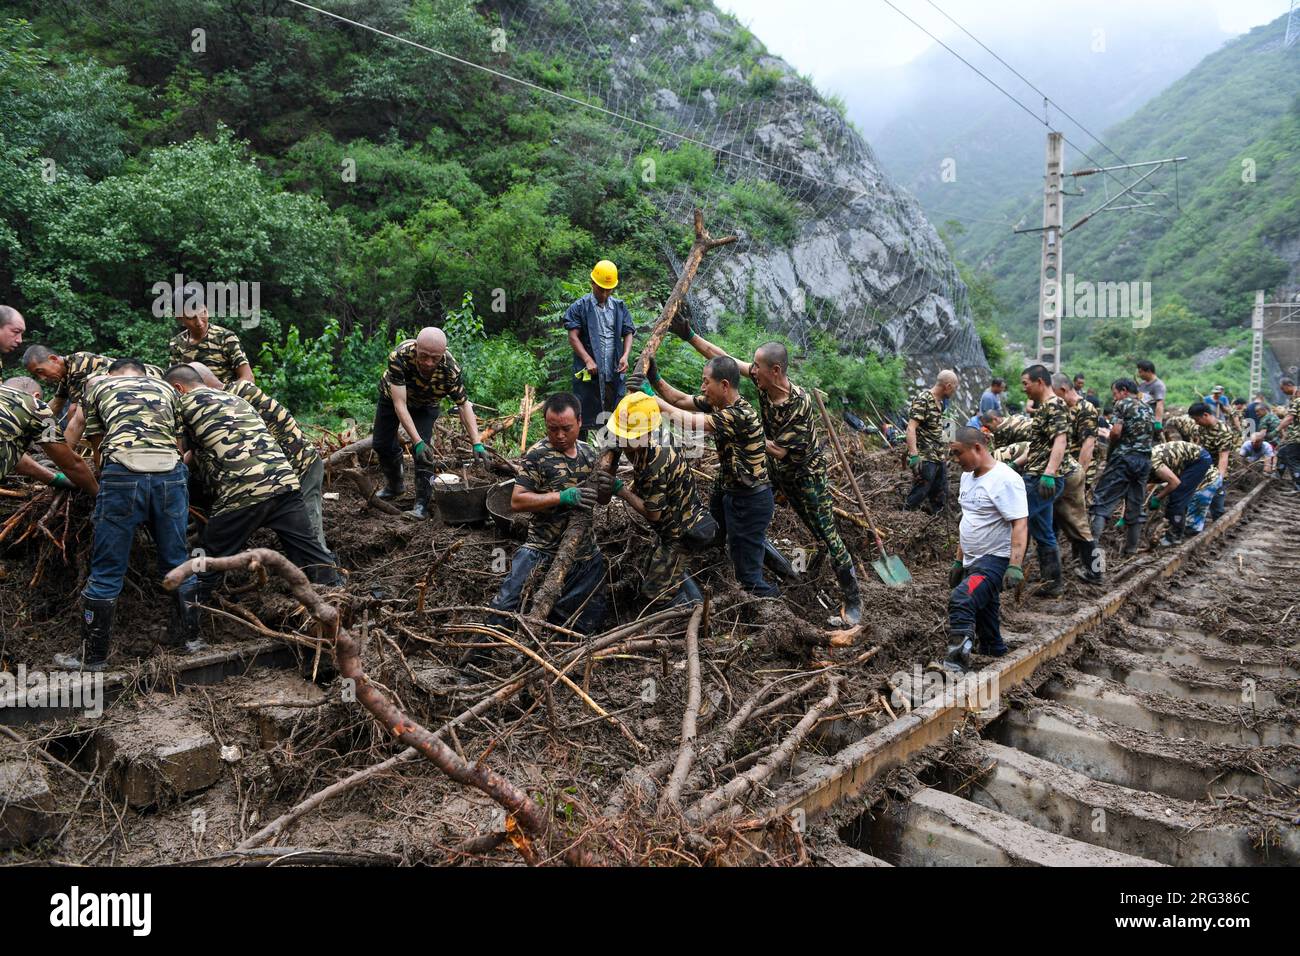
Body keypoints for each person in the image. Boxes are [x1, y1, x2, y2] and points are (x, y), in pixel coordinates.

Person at [672, 323, 863, 622]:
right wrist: (689, 335)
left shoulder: (798, 404)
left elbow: (780, 450)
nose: (752, 371)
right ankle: (777, 568)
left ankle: (853, 600)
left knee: (826, 534)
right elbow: (726, 361)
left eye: (757, 367)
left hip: (804, 478)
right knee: (746, 506)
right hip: (773, 470)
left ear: (775, 370)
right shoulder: (764, 382)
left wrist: (746, 429)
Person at [53, 360, 197, 671]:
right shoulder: (166, 387)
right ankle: (192, 641)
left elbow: (96, 444)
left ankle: (93, 657)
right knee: (177, 559)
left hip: (123, 474)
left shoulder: (97, 384)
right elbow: (176, 442)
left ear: (112, 374)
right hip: (171, 475)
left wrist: (108, 483)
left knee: (106, 570)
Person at [163, 365, 341, 608]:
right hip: (285, 483)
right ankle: (340, 604)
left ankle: (188, 629)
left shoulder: (181, 405)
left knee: (206, 560)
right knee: (311, 555)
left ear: (177, 388)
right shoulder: (236, 399)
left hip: (242, 492)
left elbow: (181, 457)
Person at [636, 356, 779, 597]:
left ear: (724, 385)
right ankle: (706, 577)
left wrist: (651, 399)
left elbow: (691, 422)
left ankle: (773, 609)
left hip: (751, 501)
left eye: (706, 382)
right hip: (728, 492)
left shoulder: (739, 414)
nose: (702, 388)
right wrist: (656, 380)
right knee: (715, 537)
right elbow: (680, 400)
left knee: (748, 574)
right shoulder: (718, 404)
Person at [483, 393, 609, 638]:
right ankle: (478, 660)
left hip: (584, 554)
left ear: (580, 422)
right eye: (553, 429)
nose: (560, 436)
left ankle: (563, 660)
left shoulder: (589, 454)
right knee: (504, 608)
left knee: (587, 620)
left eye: (566, 429)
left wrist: (608, 487)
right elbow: (517, 501)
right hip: (540, 550)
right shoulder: (537, 456)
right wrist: (561, 497)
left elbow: (601, 501)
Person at [188, 362, 332, 557]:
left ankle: (328, 580)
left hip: (300, 466)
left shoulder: (237, 395)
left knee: (311, 540)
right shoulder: (224, 399)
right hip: (277, 473)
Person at [608, 391, 716, 610]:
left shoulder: (654, 465)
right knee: (661, 570)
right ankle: (688, 597)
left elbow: (653, 513)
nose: (620, 440)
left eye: (626, 436)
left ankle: (693, 614)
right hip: (675, 524)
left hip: (681, 534)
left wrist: (621, 491)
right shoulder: (657, 433)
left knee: (654, 594)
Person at [372, 327, 487, 520]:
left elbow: (463, 404)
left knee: (424, 454)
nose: (428, 363)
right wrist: (414, 441)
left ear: (443, 353)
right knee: (381, 444)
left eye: (434, 358)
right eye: (423, 356)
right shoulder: (399, 357)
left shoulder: (451, 369)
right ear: (416, 347)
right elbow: (400, 404)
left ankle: (421, 505)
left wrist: (476, 442)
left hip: (427, 405)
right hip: (392, 399)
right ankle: (395, 486)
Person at [942, 426, 1028, 672]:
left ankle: (955, 664)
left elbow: (1020, 523)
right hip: (972, 559)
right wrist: (959, 561)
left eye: (958, 453)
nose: (956, 460)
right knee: (985, 614)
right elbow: (968, 520)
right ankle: (994, 651)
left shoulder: (1006, 479)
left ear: (977, 448)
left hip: (995, 559)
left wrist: (1014, 565)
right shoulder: (967, 476)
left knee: (962, 599)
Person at [1011, 365, 1074, 597]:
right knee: (1044, 531)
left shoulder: (1055, 405)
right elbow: (1040, 446)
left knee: (1014, 519)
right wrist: (1016, 464)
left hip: (1042, 478)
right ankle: (1053, 582)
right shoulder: (1044, 407)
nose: (1024, 388)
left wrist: (1049, 472)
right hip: (1038, 474)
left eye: (1026, 383)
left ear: (1040, 382)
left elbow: (1060, 441)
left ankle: (1008, 573)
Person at [23, 345, 162, 447]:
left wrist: (64, 455)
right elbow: (56, 404)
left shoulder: (78, 364)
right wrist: (31, 429)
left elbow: (74, 412)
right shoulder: (66, 374)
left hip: (152, 383)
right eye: (37, 375)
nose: (41, 378)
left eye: (40, 371)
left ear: (53, 359)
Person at [564, 260, 634, 440]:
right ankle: (582, 454)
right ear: (592, 283)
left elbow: (628, 332)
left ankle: (611, 456)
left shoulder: (619, 307)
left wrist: (625, 356)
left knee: (614, 415)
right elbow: (573, 336)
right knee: (584, 413)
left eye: (608, 290)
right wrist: (587, 359)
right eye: (600, 288)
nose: (604, 293)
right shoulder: (580, 307)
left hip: (613, 371)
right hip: (589, 372)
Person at [1089, 379, 1154, 556]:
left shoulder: (1122, 404)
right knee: (1136, 504)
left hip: (1125, 458)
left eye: (1114, 393)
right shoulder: (1147, 407)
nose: (1114, 398)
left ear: (1123, 391)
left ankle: (1091, 554)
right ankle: (1131, 549)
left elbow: (1116, 432)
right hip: (1144, 460)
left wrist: (1111, 448)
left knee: (1101, 502)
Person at [0, 377, 98, 496]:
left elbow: (13, 457)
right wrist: (98, 494)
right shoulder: (36, 406)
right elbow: (71, 464)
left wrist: (55, 479)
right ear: (36, 396)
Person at [1051, 373, 1103, 583]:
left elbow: (1088, 445)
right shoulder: (1062, 408)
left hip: (1077, 475)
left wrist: (1079, 475)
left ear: (1063, 389)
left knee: (1080, 523)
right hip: (1064, 472)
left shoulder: (1086, 409)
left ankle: (1097, 571)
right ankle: (1055, 570)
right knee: (1056, 520)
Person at [1168, 402, 1234, 522]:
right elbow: (1198, 444)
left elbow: (1223, 458)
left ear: (1205, 415)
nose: (1196, 422)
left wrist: (1218, 480)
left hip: (1217, 468)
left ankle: (1218, 526)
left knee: (1216, 501)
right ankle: (1192, 522)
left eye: (1197, 419)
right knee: (1193, 495)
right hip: (1203, 465)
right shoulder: (1200, 427)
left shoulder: (1223, 431)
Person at [905, 370, 958, 513]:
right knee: (920, 491)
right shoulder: (924, 399)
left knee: (940, 494)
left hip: (939, 457)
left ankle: (936, 524)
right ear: (947, 386)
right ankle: (905, 518)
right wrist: (914, 456)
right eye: (954, 387)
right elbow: (911, 428)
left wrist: (949, 450)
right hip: (926, 456)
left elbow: (947, 428)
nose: (954, 391)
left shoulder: (944, 403)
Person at [167, 296, 254, 385]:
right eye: (191, 318)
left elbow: (248, 377)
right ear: (179, 317)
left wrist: (225, 394)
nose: (199, 322)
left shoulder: (225, 338)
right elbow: (175, 381)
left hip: (227, 395)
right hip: (192, 396)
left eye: (203, 313)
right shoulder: (177, 343)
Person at [1146, 440, 1214, 546]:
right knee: (1177, 494)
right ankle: (1177, 527)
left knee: (1177, 496)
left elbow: (1174, 482)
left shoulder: (1154, 464)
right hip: (1185, 461)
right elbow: (1150, 481)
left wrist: (1157, 498)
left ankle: (1174, 536)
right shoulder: (1142, 461)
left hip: (1199, 460)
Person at [1274, 378, 1300, 491]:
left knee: (1292, 457)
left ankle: (1298, 486)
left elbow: (1289, 418)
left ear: (1288, 385)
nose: (1282, 391)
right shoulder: (1294, 398)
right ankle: (1277, 475)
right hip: (1295, 433)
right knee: (1283, 451)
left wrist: (1277, 429)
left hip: (1298, 436)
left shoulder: (1298, 400)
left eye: (1282, 388)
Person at [1135, 360, 1165, 439]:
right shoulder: (1142, 385)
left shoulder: (1158, 385)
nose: (1139, 375)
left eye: (1141, 372)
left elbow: (1160, 404)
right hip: (1140, 420)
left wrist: (1158, 422)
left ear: (1148, 371)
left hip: (1150, 420)